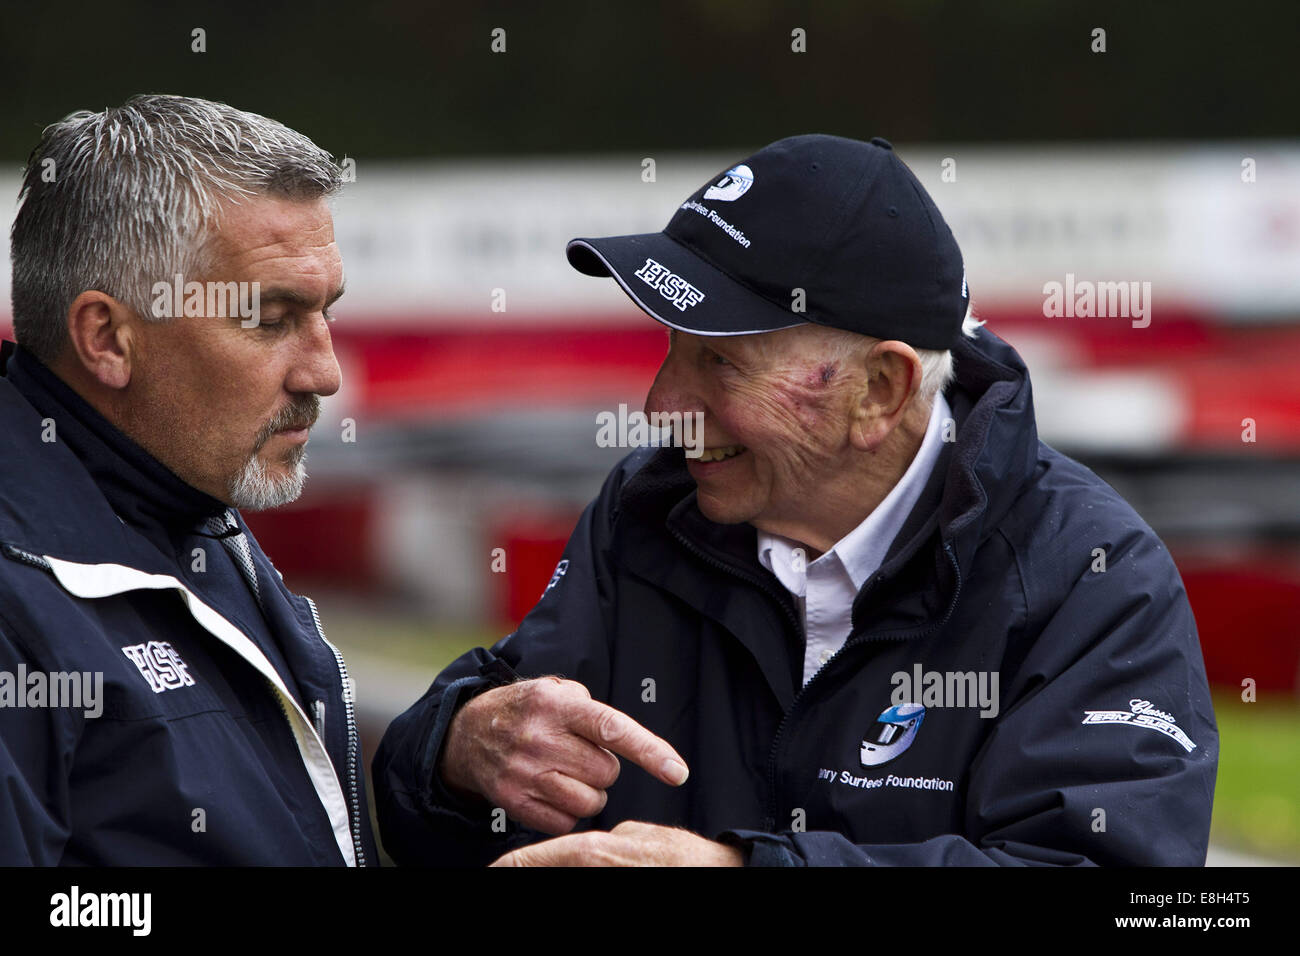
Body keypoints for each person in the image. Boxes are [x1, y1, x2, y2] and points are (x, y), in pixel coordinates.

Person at [374, 134, 1218, 867]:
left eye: (720, 363)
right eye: (673, 348)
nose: (662, 406)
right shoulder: (649, 509)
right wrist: (456, 750)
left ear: (881, 390)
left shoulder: (1092, 574)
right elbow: (451, 818)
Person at [0, 94, 377, 865]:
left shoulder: (182, 494)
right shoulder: (22, 590)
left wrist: (447, 763)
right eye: (271, 319)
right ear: (107, 338)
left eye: (326, 313)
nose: (326, 373)